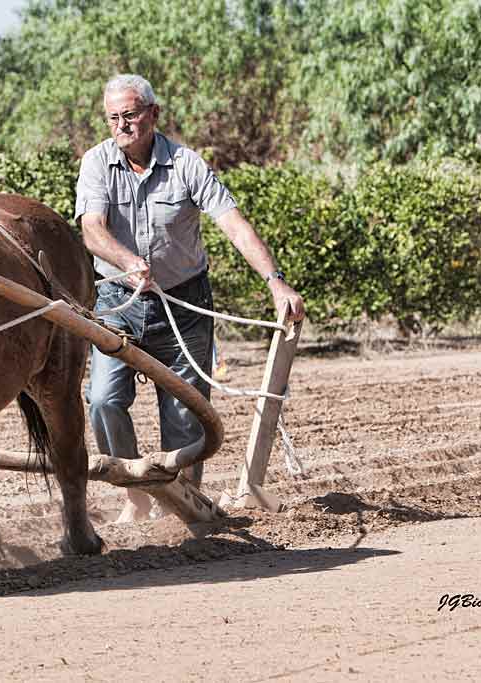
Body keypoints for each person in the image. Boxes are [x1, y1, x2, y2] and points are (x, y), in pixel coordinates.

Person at [76, 74, 305, 523]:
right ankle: (136, 495)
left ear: (154, 114)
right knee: (103, 399)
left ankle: (181, 503)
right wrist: (128, 261)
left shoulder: (186, 164)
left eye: (131, 115)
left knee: (184, 414)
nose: (123, 125)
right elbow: (92, 229)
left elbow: (233, 224)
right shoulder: (97, 163)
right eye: (114, 118)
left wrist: (276, 281)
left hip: (182, 303)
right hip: (118, 304)